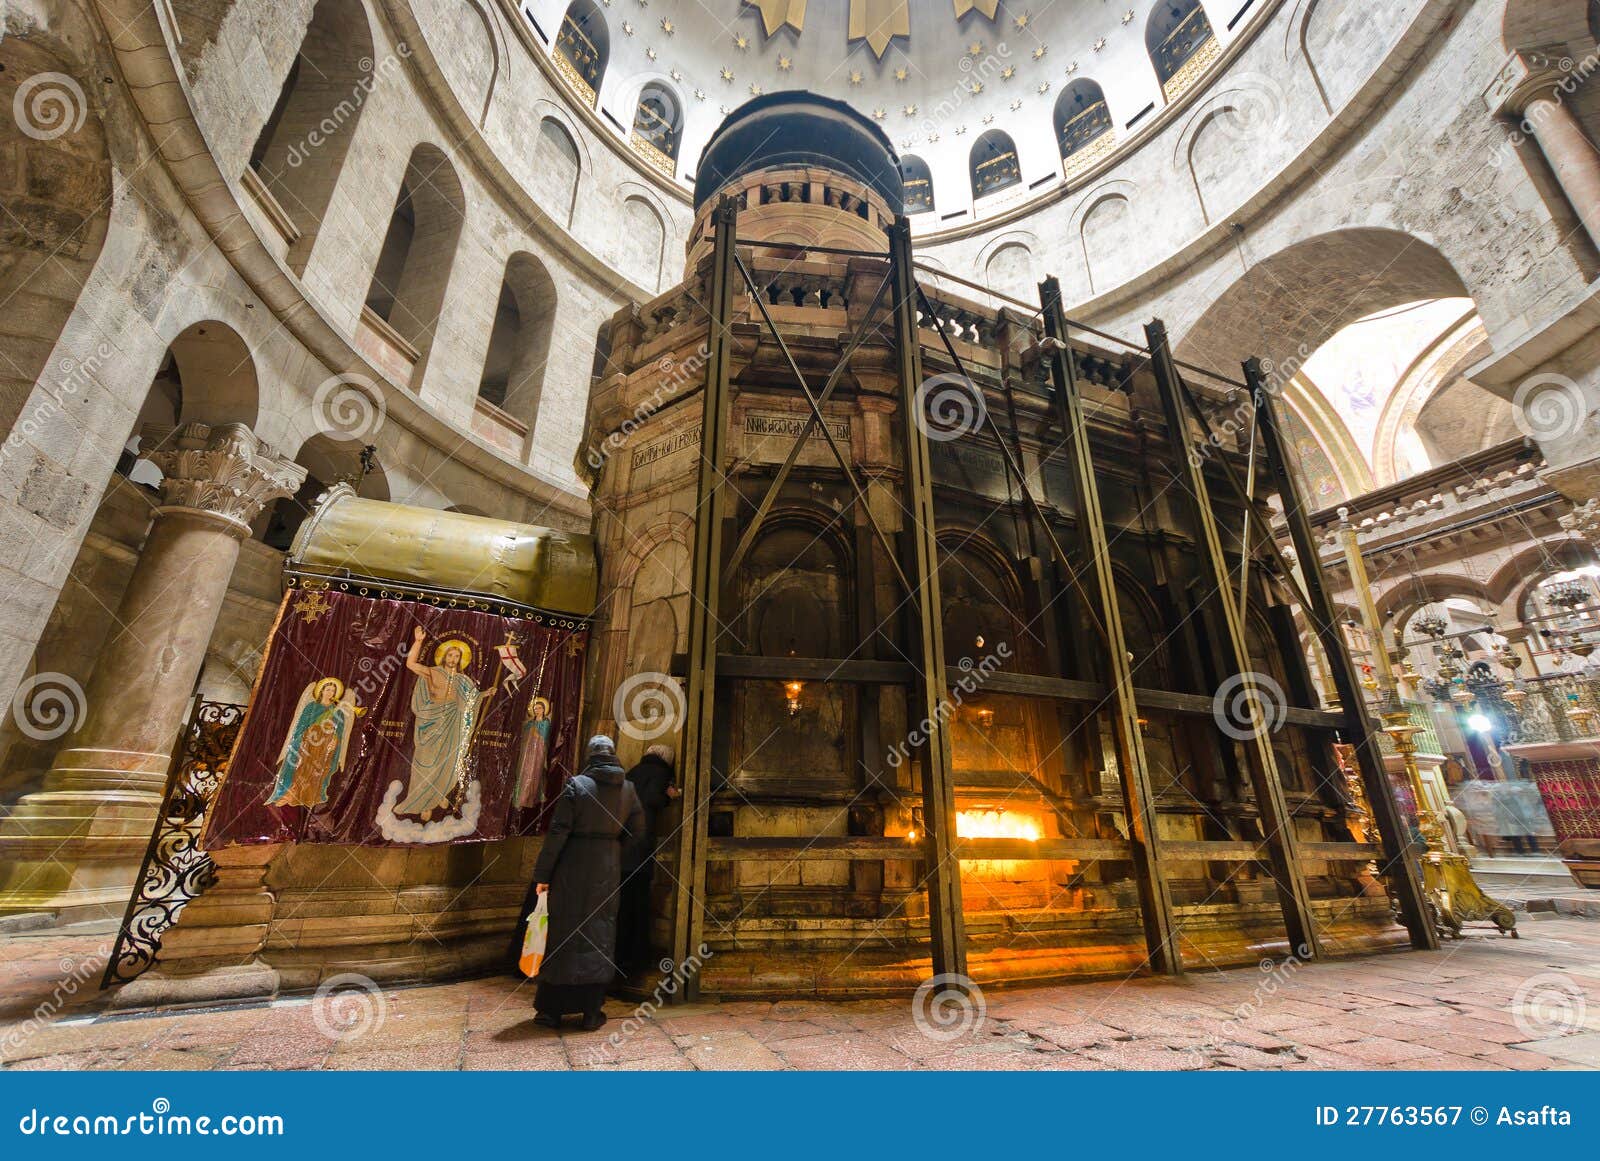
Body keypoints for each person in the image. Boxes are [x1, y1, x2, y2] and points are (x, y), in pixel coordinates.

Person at [527, 734, 644, 1031]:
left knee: (563, 933)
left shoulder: (577, 785)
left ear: (590, 755)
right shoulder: (629, 790)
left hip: (571, 866)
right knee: (600, 933)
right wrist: (614, 854)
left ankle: (550, 1012)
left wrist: (542, 875)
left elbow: (557, 833)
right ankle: (592, 1011)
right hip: (607, 867)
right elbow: (638, 832)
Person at [616, 744, 679, 974]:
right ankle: (637, 957)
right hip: (641, 845)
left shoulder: (633, 771)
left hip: (623, 844)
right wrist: (669, 797)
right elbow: (653, 798)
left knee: (623, 903)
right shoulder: (661, 773)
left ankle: (620, 954)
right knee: (640, 902)